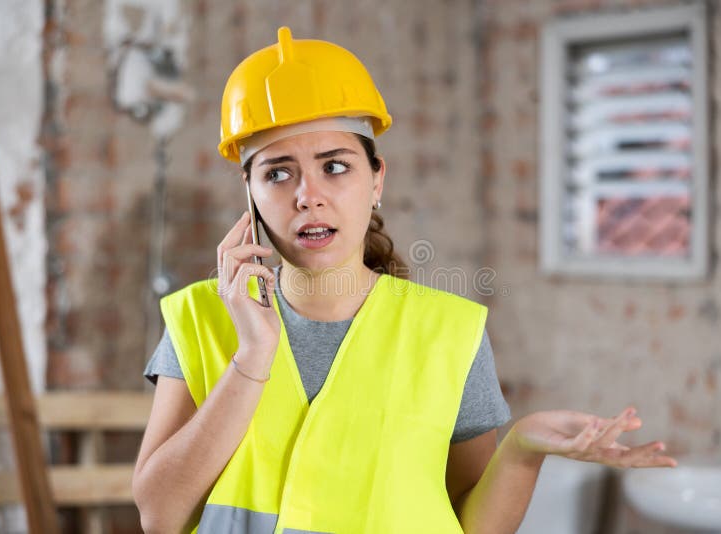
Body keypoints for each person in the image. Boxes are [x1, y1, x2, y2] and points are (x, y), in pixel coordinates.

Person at [132, 27, 676, 534]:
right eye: (277, 172)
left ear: (376, 180)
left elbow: (473, 525)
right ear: (249, 195)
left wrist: (523, 450)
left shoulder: (449, 333)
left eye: (336, 165)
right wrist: (252, 358)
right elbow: (158, 514)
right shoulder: (198, 320)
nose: (308, 195)